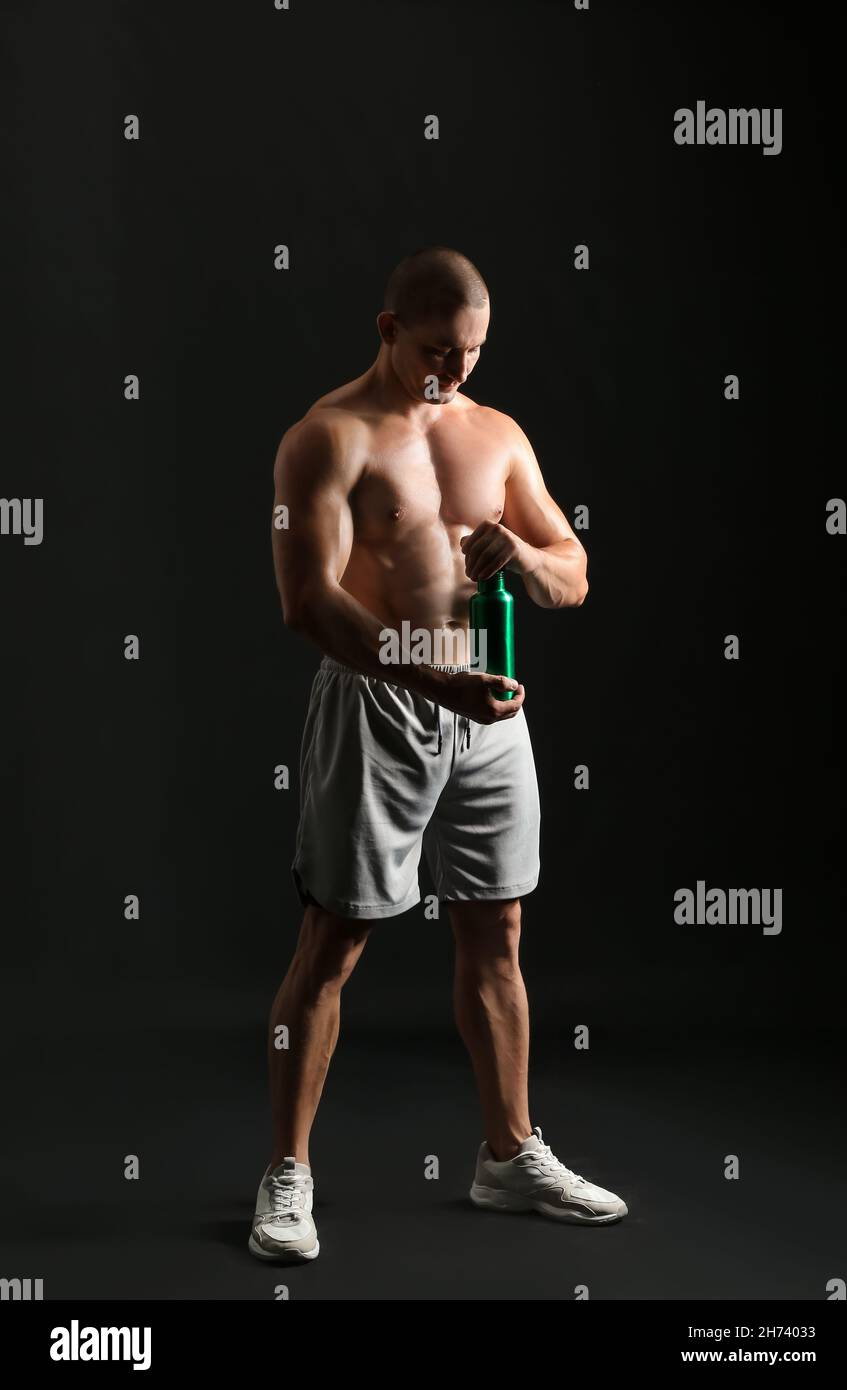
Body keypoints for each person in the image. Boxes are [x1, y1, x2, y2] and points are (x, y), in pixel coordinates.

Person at [249, 247, 627, 1263]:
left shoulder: (493, 433)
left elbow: (573, 569)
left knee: (497, 933)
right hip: (379, 705)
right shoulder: (325, 438)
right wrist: (432, 679)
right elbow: (308, 602)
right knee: (333, 944)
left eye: (469, 352)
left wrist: (528, 562)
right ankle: (289, 1175)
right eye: (434, 351)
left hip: (489, 714)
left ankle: (507, 1156)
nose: (453, 372)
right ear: (385, 331)